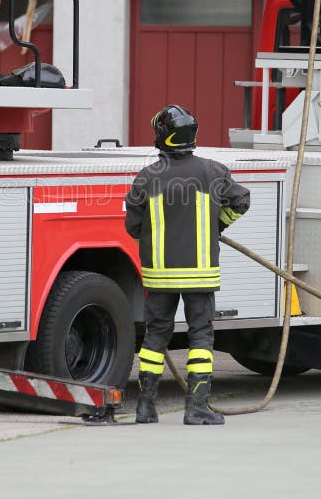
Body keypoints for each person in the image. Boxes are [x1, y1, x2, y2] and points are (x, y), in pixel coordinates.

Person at [125, 105, 251, 425]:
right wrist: (217, 225)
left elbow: (132, 228)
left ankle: (145, 407)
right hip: (200, 274)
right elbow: (241, 201)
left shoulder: (147, 177)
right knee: (200, 338)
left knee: (155, 339)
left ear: (162, 137)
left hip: (160, 276)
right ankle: (196, 408)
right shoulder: (212, 171)